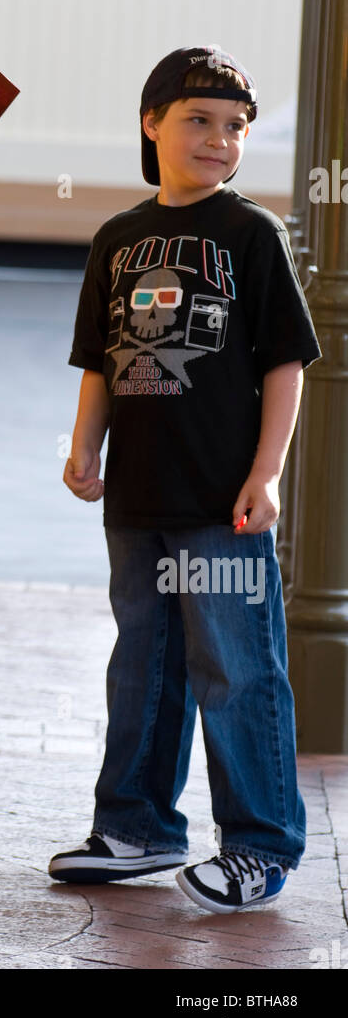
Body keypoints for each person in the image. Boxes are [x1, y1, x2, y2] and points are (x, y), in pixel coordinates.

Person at [48, 46, 321, 914]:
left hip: (221, 503)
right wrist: (84, 447)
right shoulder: (117, 240)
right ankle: (135, 827)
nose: (218, 140)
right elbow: (97, 359)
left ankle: (258, 847)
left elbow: (286, 363)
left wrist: (266, 474)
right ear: (150, 123)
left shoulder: (252, 235)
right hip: (136, 499)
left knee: (235, 670)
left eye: (234, 126)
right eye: (198, 120)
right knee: (144, 664)